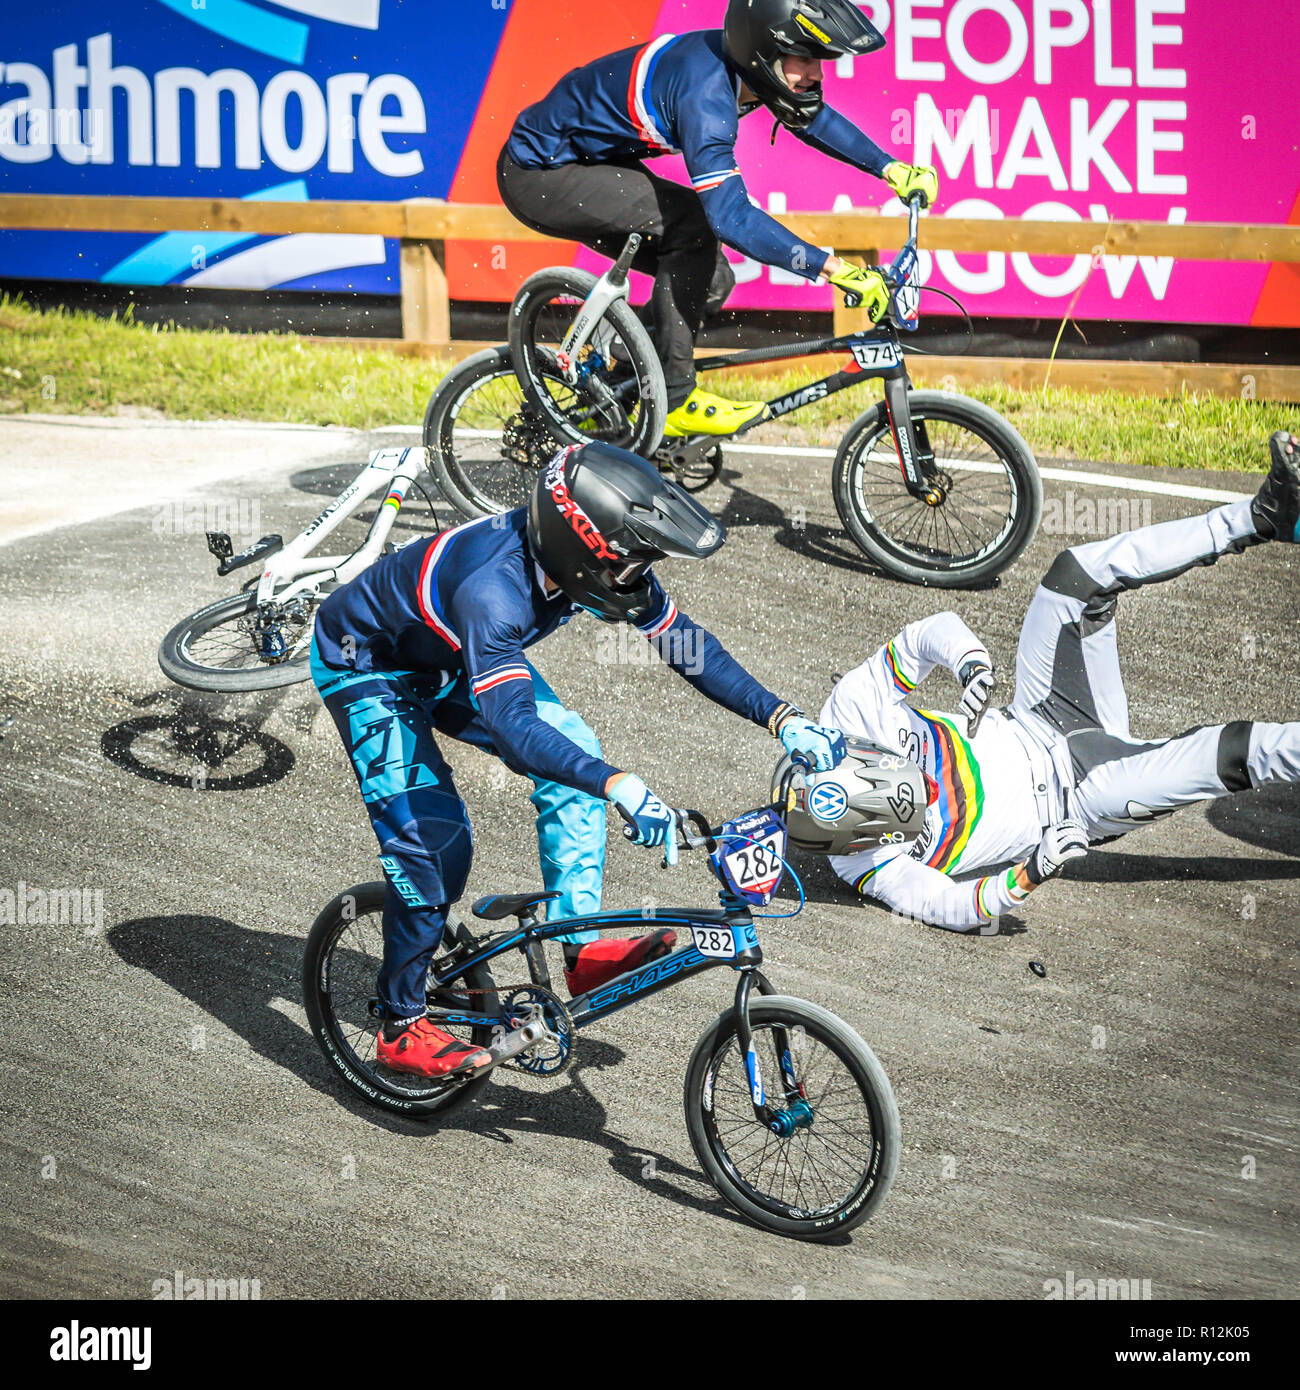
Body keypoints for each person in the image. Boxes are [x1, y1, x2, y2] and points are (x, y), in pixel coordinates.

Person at [309, 440, 846, 1076]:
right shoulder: (495, 592)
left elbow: (686, 644)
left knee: (577, 762)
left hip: (453, 659)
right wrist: (617, 782)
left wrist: (781, 717)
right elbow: (512, 728)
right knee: (435, 846)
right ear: (581, 552)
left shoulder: (577, 559)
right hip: (368, 666)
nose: (638, 578)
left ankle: (578, 945)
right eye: (628, 563)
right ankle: (399, 1023)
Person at [798, 432, 1300, 933]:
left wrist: (970, 662)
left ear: (859, 755)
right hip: (1077, 796)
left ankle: (1264, 515)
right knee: (1231, 750)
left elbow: (927, 635)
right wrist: (1027, 875)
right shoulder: (863, 865)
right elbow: (952, 906)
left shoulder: (850, 711)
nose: (923, 796)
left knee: (1075, 574)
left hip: (1038, 712)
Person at [497, 0, 938, 439]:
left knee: (711, 279)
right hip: (540, 174)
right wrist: (834, 270)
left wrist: (889, 168)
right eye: (805, 60)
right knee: (694, 225)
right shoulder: (706, 95)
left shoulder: (746, 69)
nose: (818, 74)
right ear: (766, 54)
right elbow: (731, 217)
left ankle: (617, 390)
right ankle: (674, 398)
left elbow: (810, 118)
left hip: (596, 159)